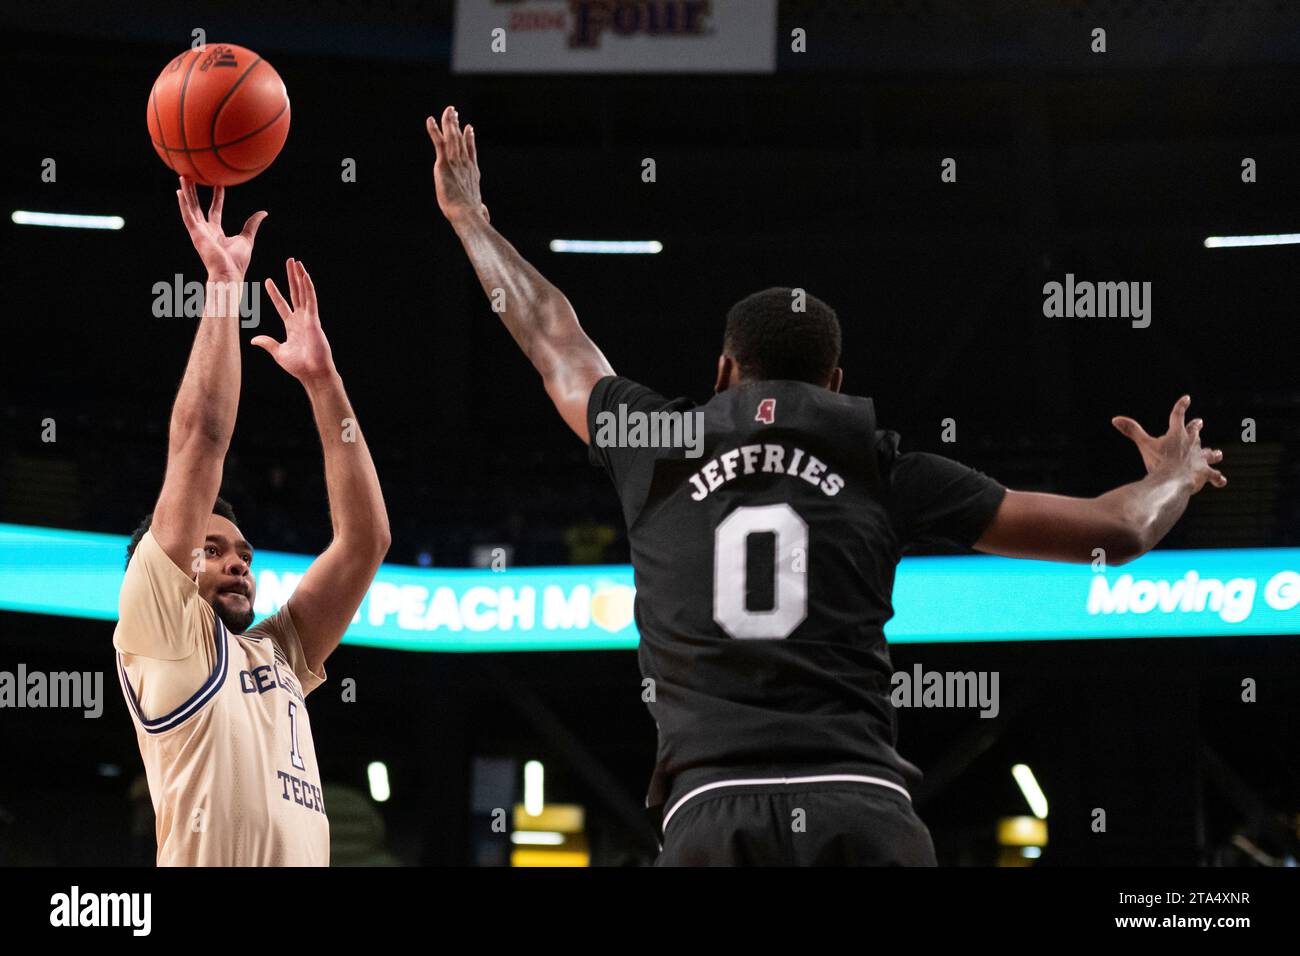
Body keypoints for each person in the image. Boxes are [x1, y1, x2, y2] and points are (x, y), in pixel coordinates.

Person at [425, 107, 1227, 866]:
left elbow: (554, 339)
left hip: (712, 810)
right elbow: (1114, 534)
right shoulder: (887, 466)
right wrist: (1177, 475)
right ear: (837, 383)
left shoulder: (655, 442)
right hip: (861, 806)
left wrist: (473, 222)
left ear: (722, 373)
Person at [114, 177, 390, 866]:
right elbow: (201, 441)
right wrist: (223, 284)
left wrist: (324, 383)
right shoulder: (160, 628)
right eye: (212, 549)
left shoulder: (280, 653)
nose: (239, 562)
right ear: (162, 571)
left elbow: (366, 542)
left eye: (244, 552)